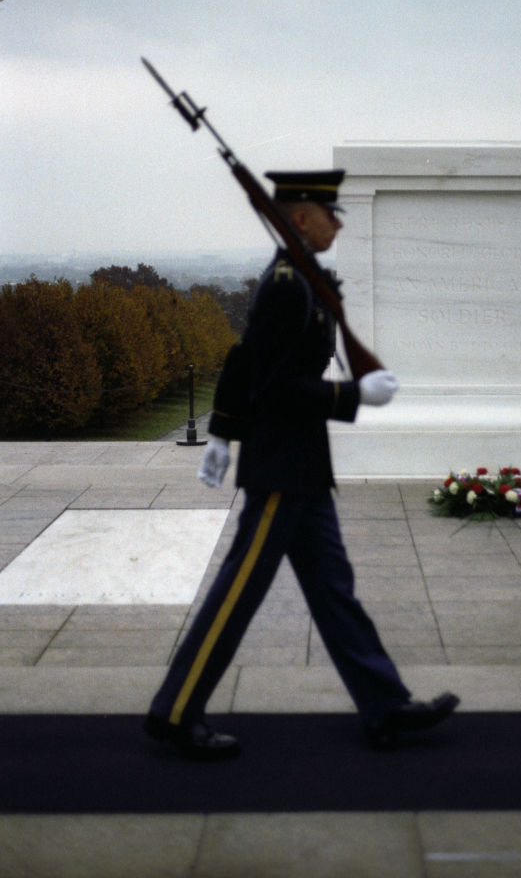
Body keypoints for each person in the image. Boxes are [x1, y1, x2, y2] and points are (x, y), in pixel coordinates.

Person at [144, 169, 459, 760]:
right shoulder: (288, 285)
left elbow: (244, 360)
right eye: (331, 212)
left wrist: (221, 434)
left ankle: (384, 704)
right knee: (238, 592)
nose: (339, 223)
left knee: (335, 592)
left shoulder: (302, 279)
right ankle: (176, 710)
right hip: (282, 470)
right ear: (303, 216)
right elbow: (273, 384)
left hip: (303, 471)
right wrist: (351, 396)